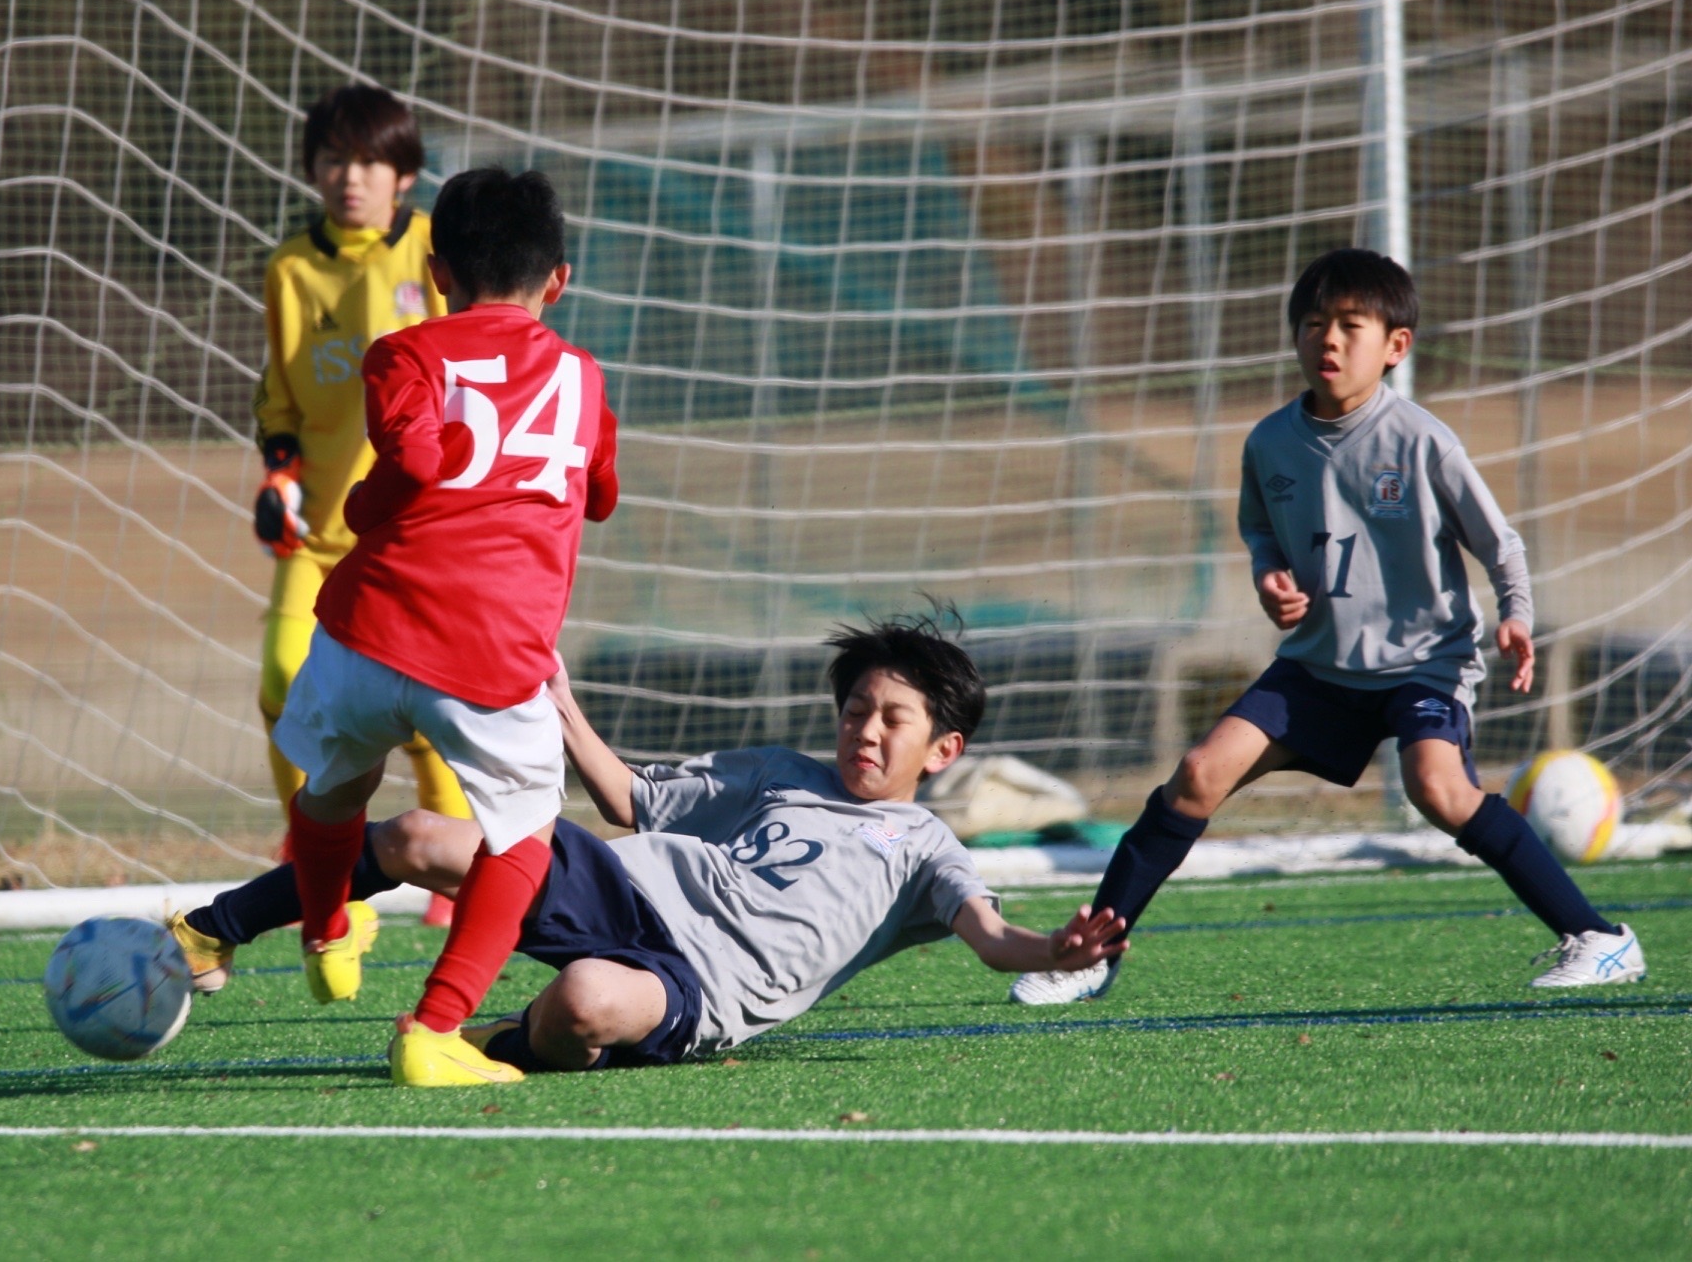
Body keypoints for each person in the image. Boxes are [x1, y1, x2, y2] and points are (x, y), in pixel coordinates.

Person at [1013, 248, 1644, 1005]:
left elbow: (1499, 543)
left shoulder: (1422, 441)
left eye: (1350, 325)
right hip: (1317, 666)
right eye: (1314, 324)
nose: (1330, 340)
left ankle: (1600, 938)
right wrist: (1269, 577)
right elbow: (1261, 533)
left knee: (1438, 789)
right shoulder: (1270, 442)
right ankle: (1091, 956)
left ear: (1396, 345)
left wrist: (1516, 615)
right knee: (1198, 774)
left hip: (1423, 662)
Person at [173, 614, 1126, 1071]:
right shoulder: (776, 770)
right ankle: (213, 928)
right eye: (854, 710)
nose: (864, 731)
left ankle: (498, 1039)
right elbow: (632, 800)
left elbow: (990, 936)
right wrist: (561, 702)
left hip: (701, 988)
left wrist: (1055, 950)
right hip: (621, 883)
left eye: (892, 719)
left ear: (942, 749)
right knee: (416, 834)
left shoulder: (925, 844)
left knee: (585, 1004)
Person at [270, 164, 620, 1087]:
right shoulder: (583, 378)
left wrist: (366, 501)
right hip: (490, 656)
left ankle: (326, 930)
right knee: (523, 838)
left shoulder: (404, 353)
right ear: (558, 280)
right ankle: (434, 1028)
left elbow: (415, 462)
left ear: (436, 271)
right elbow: (601, 495)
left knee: (332, 791)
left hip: (368, 628)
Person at [241, 83, 471, 940]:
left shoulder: (434, 252)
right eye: (334, 159)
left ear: (405, 175)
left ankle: (449, 849)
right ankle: (312, 844)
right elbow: (280, 394)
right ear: (312, 170)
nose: (350, 177)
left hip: (415, 531)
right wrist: (278, 474)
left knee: (425, 695)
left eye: (371, 161)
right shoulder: (291, 268)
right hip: (321, 534)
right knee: (280, 678)